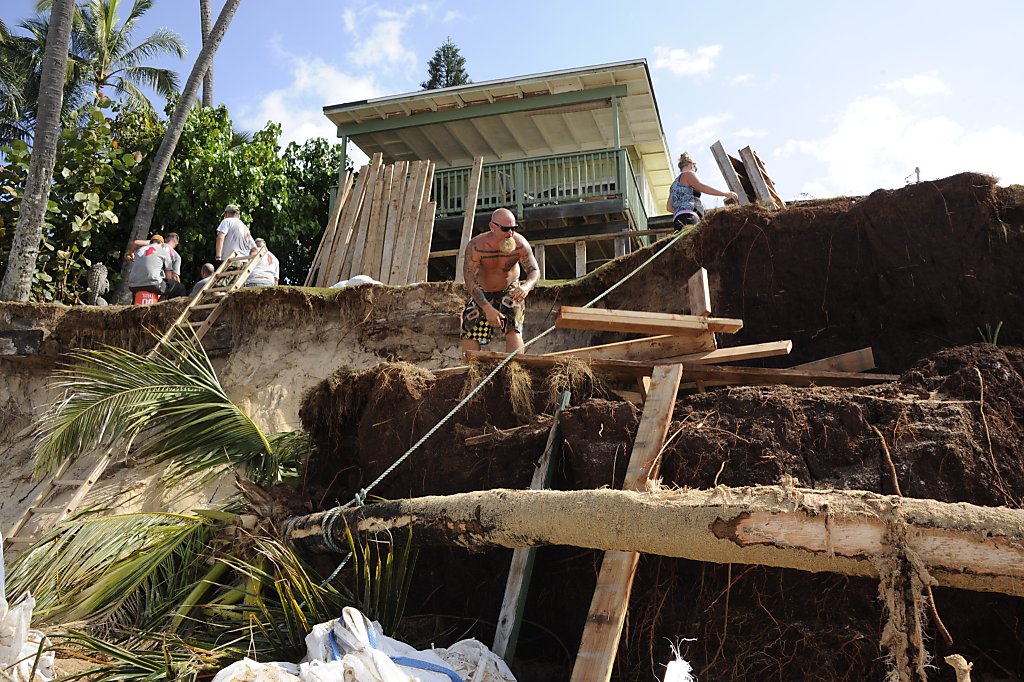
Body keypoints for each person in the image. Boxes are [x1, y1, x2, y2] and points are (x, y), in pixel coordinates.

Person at [460, 207, 540, 355]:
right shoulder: (477, 246)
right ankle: (473, 367)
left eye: (514, 228)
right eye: (505, 229)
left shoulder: (520, 244)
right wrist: (487, 309)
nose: (510, 233)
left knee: (512, 325)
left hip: (509, 288)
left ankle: (515, 366)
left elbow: (534, 270)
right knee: (470, 328)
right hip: (483, 290)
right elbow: (469, 280)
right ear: (492, 227)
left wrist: (526, 287)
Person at [666, 152, 739, 228]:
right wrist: (725, 194)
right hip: (690, 217)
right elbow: (702, 187)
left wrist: (681, 210)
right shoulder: (688, 174)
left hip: (677, 220)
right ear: (692, 165)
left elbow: (669, 207)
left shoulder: (673, 185)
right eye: (695, 169)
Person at [126, 236, 174, 301]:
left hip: (133, 286)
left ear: (150, 242)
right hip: (153, 285)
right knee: (178, 287)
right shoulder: (164, 252)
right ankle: (162, 304)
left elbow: (136, 243)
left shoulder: (139, 250)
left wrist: (129, 253)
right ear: (162, 244)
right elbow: (168, 276)